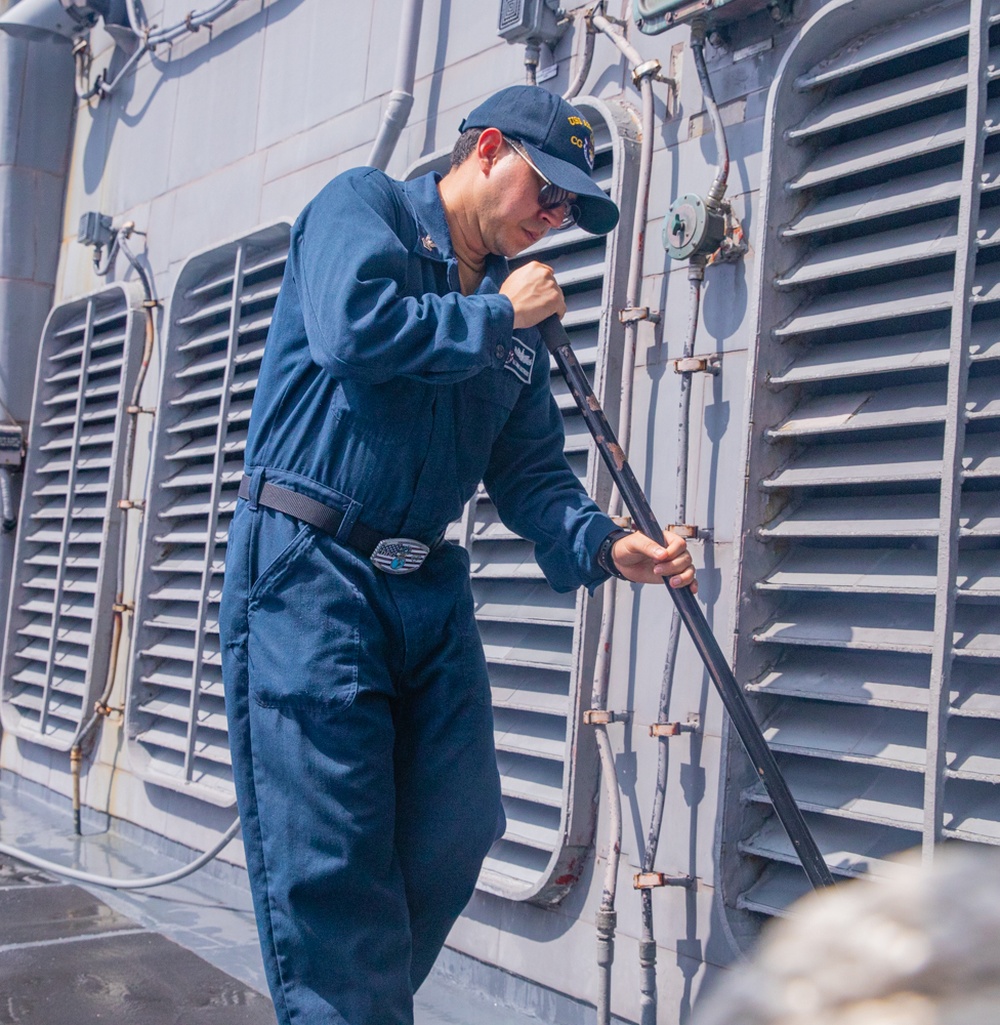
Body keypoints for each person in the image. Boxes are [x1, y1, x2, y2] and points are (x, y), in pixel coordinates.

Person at [219, 84, 697, 1025]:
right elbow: (355, 330)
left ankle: (355, 1003)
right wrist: (498, 320)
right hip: (311, 567)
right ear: (486, 149)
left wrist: (610, 545)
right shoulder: (366, 209)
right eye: (546, 191)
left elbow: (531, 476)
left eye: (570, 209)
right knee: (331, 855)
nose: (553, 218)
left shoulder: (512, 327)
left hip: (425, 588)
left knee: (460, 823)